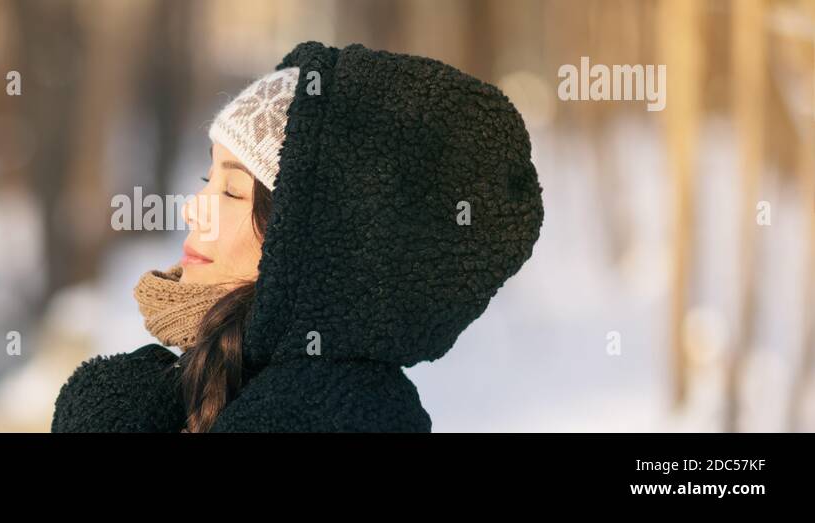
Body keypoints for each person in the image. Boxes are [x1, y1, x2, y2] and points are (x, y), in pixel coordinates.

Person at [52, 41, 544, 432]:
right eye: (208, 180)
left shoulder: (327, 415)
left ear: (306, 242)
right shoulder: (228, 382)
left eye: (232, 191)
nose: (192, 208)